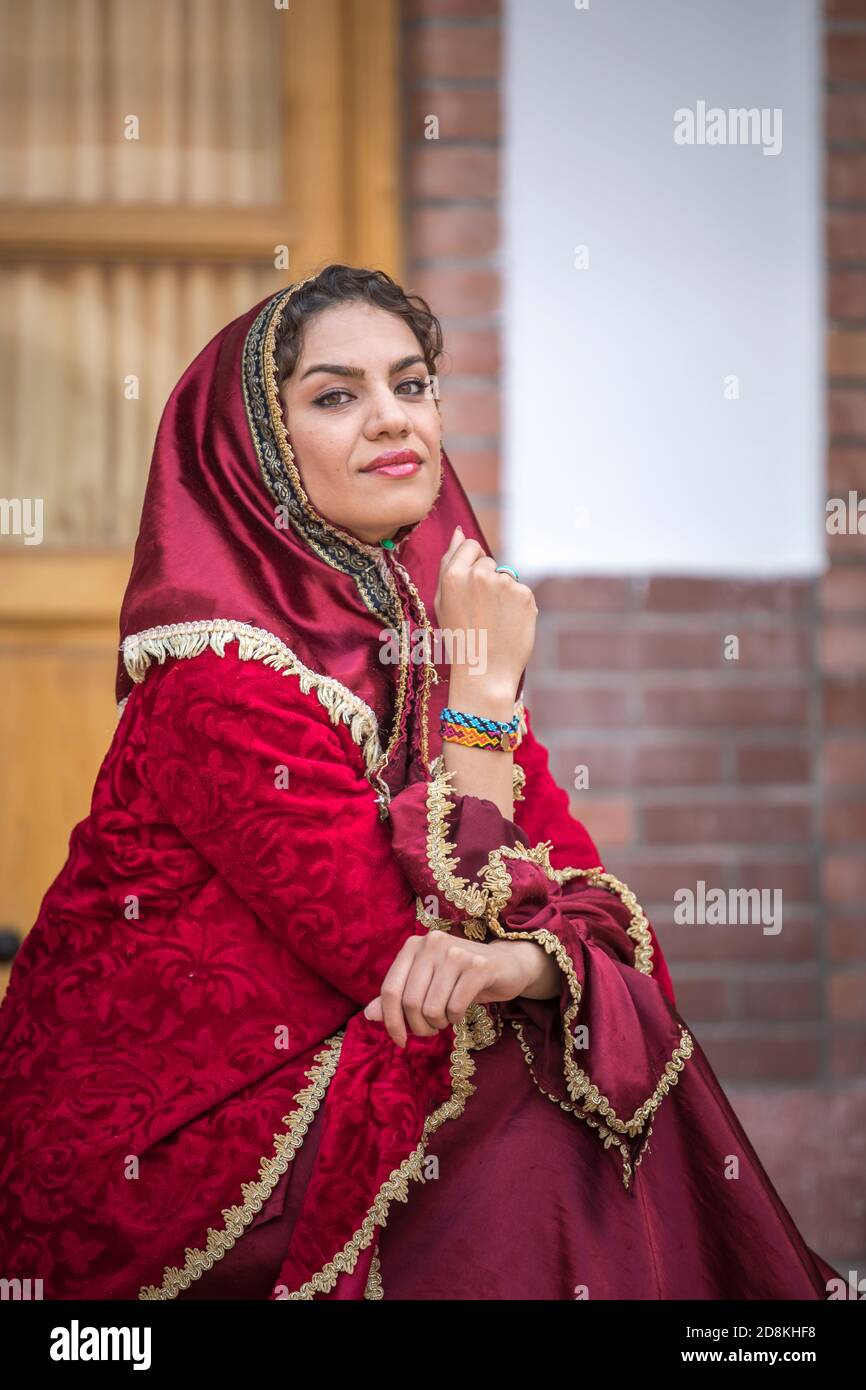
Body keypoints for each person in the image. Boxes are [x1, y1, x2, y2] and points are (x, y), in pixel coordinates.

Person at [0, 265, 840, 1301]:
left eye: (412, 383)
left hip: (337, 1054)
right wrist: (484, 703)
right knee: (515, 1087)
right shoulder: (219, 681)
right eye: (334, 395)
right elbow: (408, 960)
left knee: (584, 1034)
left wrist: (528, 968)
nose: (391, 420)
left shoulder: (429, 628)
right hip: (162, 1141)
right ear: (255, 449)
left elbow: (591, 916)